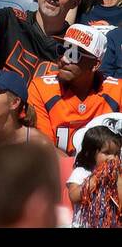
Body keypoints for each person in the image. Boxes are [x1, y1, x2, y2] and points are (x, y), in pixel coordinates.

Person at [27, 24, 119, 155]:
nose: (64, 59)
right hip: (58, 171)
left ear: (95, 64)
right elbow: (43, 148)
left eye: (73, 54)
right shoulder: (40, 88)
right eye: (62, 50)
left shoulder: (117, 91)